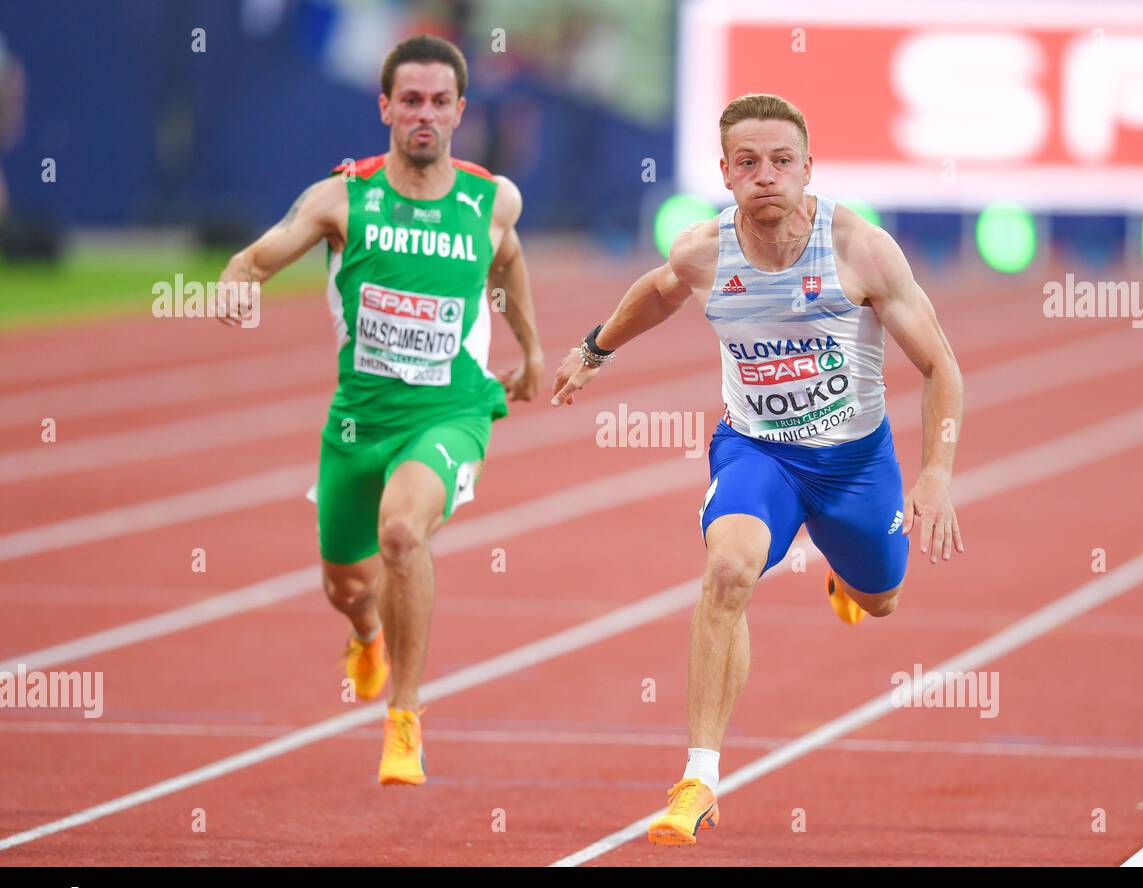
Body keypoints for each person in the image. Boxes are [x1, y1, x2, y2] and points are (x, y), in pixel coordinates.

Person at [551, 93, 964, 844]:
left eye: (781, 161)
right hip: (758, 451)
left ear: (809, 167)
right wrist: (594, 348)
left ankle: (844, 571)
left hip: (854, 462)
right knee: (729, 572)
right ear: (725, 172)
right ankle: (698, 780)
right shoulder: (705, 251)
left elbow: (940, 365)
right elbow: (658, 290)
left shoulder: (860, 250)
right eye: (748, 162)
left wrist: (936, 471)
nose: (765, 175)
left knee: (884, 600)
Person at [218, 35, 543, 785]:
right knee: (346, 585)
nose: (423, 115)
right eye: (410, 101)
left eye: (438, 102)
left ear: (461, 111)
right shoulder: (342, 198)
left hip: (450, 413)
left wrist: (529, 353)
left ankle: (405, 718)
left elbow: (510, 262)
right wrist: (237, 282)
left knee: (401, 532)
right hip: (357, 424)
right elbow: (257, 257)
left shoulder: (491, 199)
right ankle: (365, 633)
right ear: (385, 107)